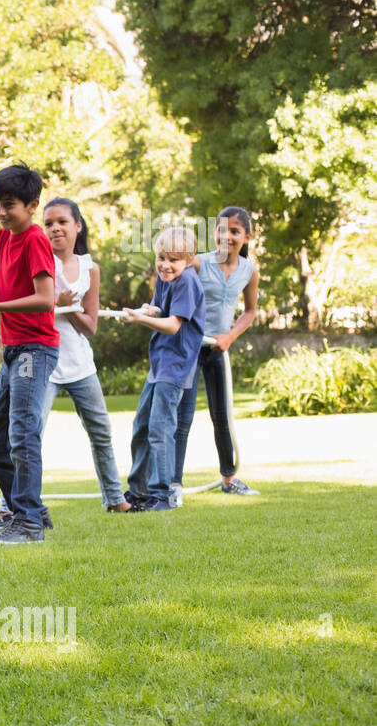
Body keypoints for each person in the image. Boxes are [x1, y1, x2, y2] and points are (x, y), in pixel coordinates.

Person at [0, 163, 59, 545]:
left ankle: (27, 524)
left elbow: (46, 299)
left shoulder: (36, 239)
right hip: (12, 350)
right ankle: (29, 509)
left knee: (22, 435)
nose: (1, 213)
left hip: (33, 350)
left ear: (32, 205)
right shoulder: (4, 237)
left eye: (9, 205)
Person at [40, 197, 131, 512]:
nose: (55, 229)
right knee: (28, 436)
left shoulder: (90, 269)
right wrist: (56, 302)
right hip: (43, 361)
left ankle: (115, 499)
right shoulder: (38, 264)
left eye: (62, 222)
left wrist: (69, 306)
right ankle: (12, 504)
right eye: (49, 223)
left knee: (100, 432)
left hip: (79, 363)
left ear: (77, 226)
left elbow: (90, 327)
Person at [173, 206, 260, 496]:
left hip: (217, 349)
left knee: (221, 416)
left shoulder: (249, 270)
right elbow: (171, 277)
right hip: (190, 347)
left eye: (234, 231)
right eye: (221, 230)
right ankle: (173, 484)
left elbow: (250, 311)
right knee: (182, 417)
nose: (227, 236)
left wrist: (231, 336)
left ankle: (228, 479)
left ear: (246, 236)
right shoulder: (198, 264)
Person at [123, 227, 205, 511]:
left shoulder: (187, 282)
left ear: (188, 260)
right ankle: (138, 490)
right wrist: (147, 310)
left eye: (174, 259)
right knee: (142, 426)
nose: (166, 265)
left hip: (177, 363)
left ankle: (162, 493)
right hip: (160, 363)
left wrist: (140, 320)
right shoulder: (165, 278)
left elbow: (173, 325)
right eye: (161, 257)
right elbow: (161, 311)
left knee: (160, 428)